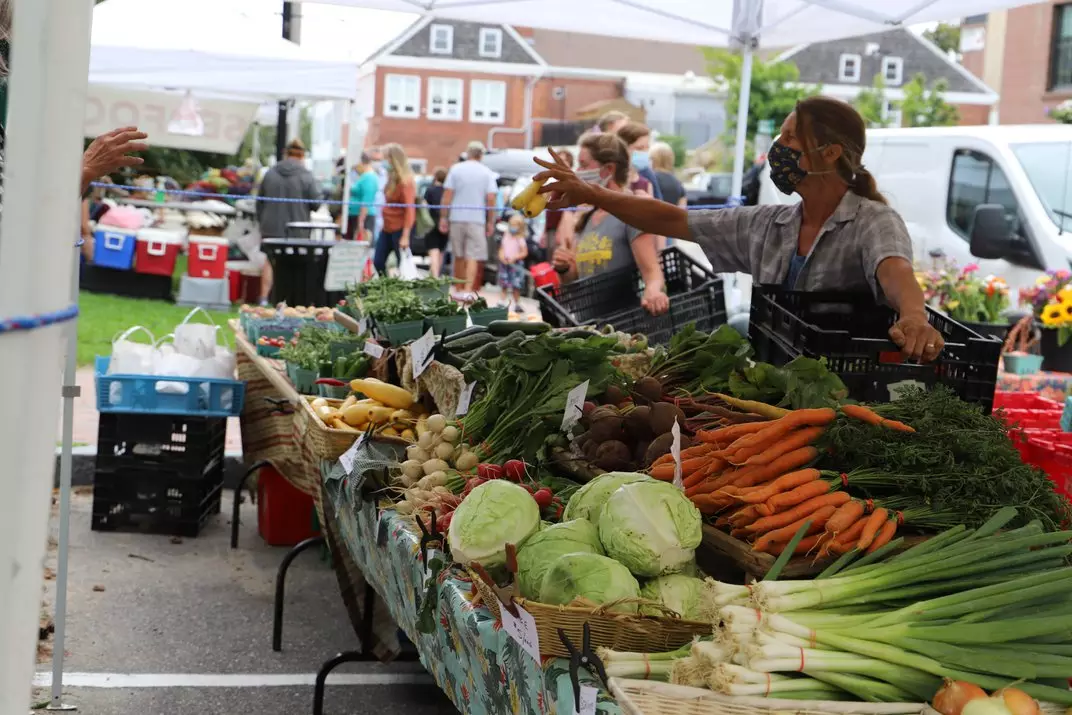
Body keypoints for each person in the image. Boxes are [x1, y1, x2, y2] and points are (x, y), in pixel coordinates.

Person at [534, 96, 945, 362]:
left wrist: (913, 316)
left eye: (789, 137)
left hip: (849, 398)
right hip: (778, 392)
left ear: (831, 152)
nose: (778, 148)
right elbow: (670, 219)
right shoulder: (772, 224)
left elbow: (895, 272)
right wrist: (593, 193)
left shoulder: (872, 220)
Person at [550, 132, 669, 316]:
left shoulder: (631, 214)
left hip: (622, 333)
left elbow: (653, 272)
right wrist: (564, 267)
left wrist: (653, 291)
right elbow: (575, 279)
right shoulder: (587, 217)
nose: (577, 173)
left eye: (583, 165)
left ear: (608, 169)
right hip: (588, 329)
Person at [439, 140, 497, 293]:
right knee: (473, 255)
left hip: (457, 217)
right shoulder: (486, 172)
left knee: (458, 254)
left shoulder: (456, 169)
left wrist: (443, 217)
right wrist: (490, 221)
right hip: (477, 219)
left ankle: (458, 287)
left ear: (468, 153)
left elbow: (447, 195)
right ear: (481, 155)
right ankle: (468, 289)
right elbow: (491, 199)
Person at [256, 138, 320, 238]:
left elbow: (259, 203)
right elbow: (316, 204)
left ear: (286, 154)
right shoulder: (307, 176)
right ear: (302, 156)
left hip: (270, 232)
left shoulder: (270, 174)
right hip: (297, 232)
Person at [373, 143, 416, 275]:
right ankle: (384, 288)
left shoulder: (406, 182)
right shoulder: (390, 178)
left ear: (393, 159)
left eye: (386, 158)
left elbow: (410, 209)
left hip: (400, 229)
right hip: (387, 228)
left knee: (402, 264)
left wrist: (405, 236)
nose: (384, 162)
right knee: (378, 261)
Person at [539, 148, 573, 261]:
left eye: (562, 161)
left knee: (560, 261)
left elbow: (568, 210)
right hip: (551, 230)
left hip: (561, 231)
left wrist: (561, 231)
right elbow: (548, 212)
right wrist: (544, 232)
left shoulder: (570, 184)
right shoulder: (554, 184)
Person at [616, 122, 664, 201]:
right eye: (639, 148)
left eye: (647, 147)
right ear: (623, 148)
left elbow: (659, 206)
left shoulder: (646, 178)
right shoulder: (610, 179)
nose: (645, 152)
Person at [421, 167, 449, 277]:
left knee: (433, 250)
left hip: (432, 223)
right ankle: (437, 273)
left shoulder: (430, 190)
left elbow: (424, 206)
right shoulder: (447, 192)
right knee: (441, 250)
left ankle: (434, 274)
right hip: (445, 224)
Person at [346, 152, 379, 242]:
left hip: (363, 217)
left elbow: (367, 200)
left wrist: (361, 221)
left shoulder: (369, 178)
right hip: (355, 215)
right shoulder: (363, 176)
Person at [498, 214, 528, 311]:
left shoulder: (520, 238)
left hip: (516, 265)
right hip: (505, 264)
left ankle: (517, 304)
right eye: (511, 225)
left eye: (516, 225)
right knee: (504, 284)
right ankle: (502, 302)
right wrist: (502, 257)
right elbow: (502, 248)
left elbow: (524, 252)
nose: (513, 227)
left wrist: (515, 257)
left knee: (516, 286)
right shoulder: (506, 235)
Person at [650, 142, 686, 208]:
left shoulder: (650, 178)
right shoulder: (677, 182)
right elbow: (682, 208)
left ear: (653, 158)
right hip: (673, 217)